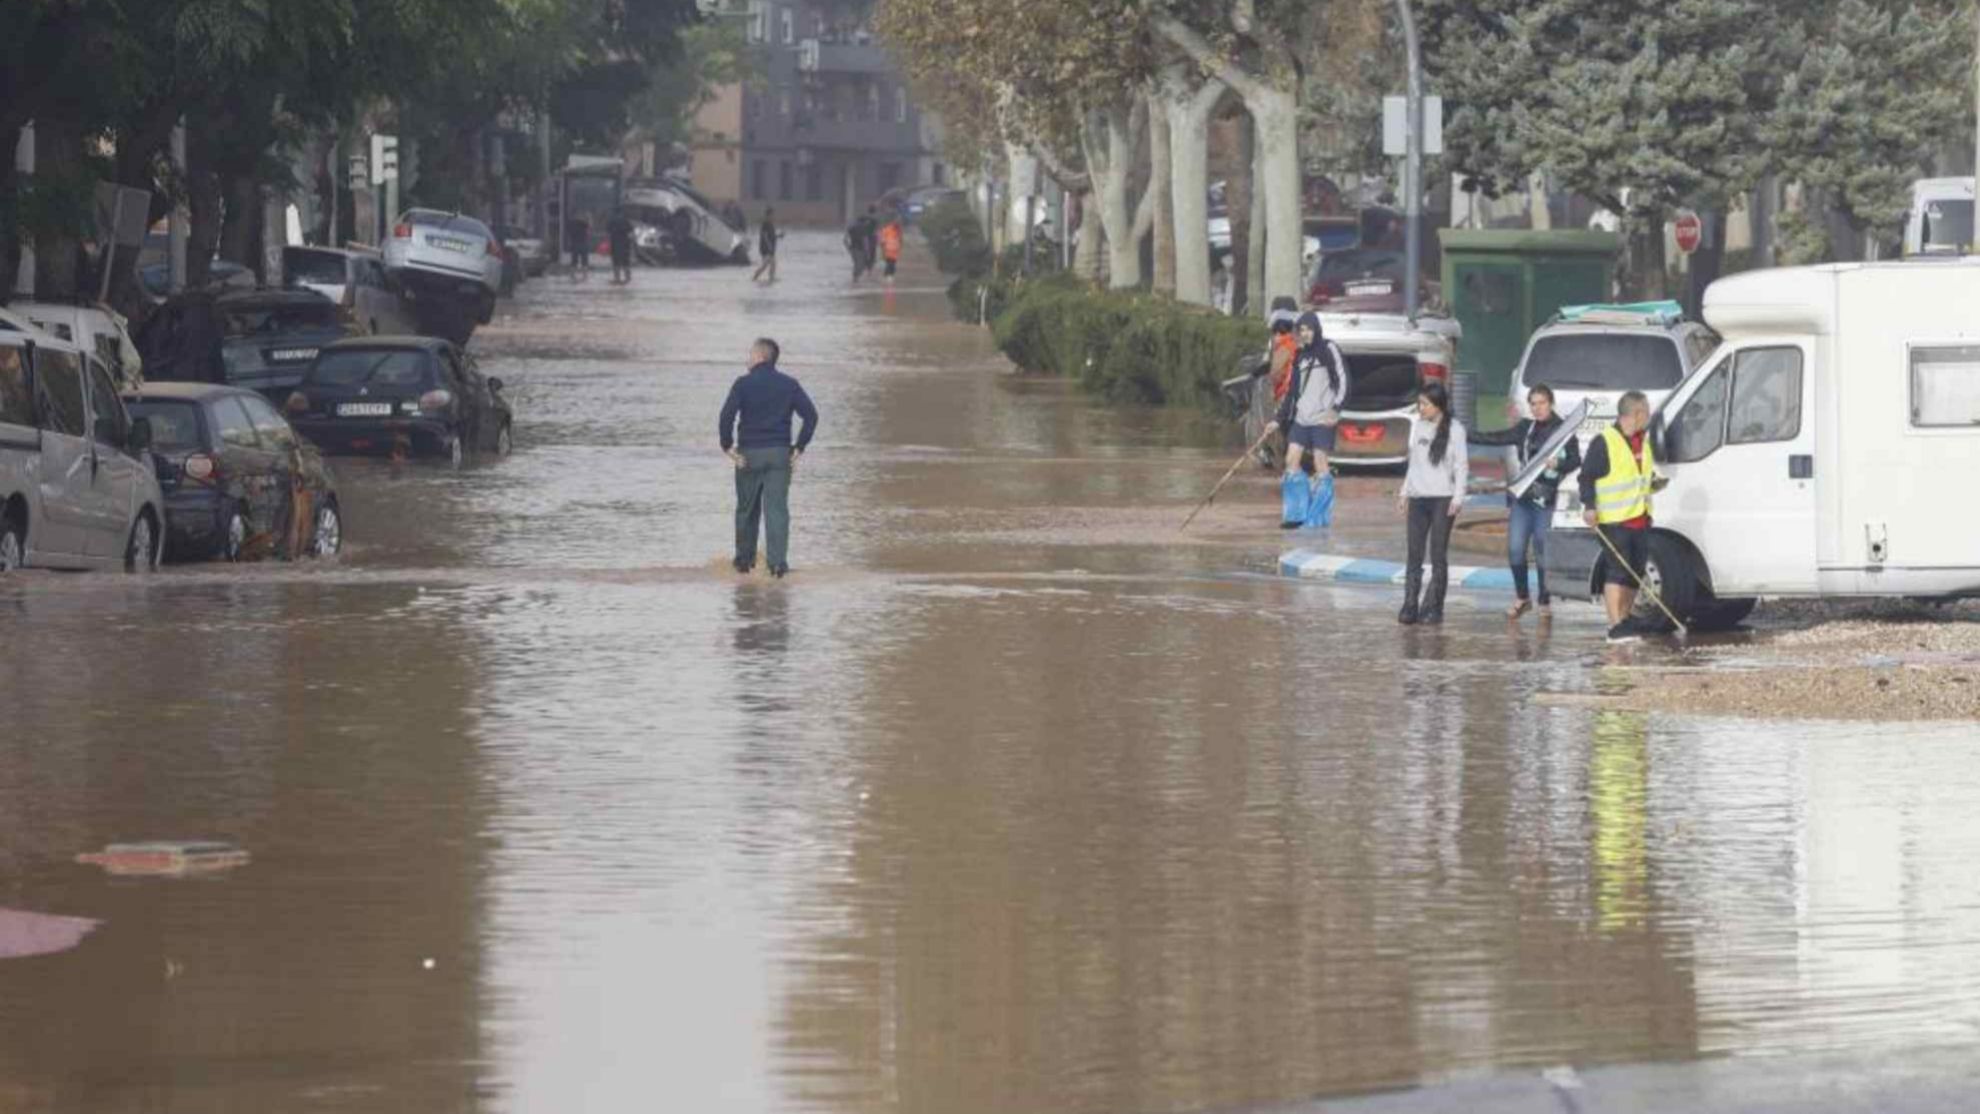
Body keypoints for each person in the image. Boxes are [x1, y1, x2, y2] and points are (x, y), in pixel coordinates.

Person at [1470, 384, 1582, 620]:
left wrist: (1558, 464)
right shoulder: (1525, 428)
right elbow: (1497, 437)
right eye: (1533, 403)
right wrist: (1465, 434)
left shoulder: (1563, 430)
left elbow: (1575, 460)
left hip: (1546, 499)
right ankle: (1523, 597)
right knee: (1515, 550)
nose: (1538, 408)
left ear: (1551, 403)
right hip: (1523, 499)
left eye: (1542, 402)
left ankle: (1544, 599)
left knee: (1542, 548)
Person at [719, 337, 818, 578]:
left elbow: (726, 417)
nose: (748, 357)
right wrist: (799, 447)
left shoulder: (742, 384)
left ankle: (744, 564)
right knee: (777, 511)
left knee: (746, 510)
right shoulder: (789, 384)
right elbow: (811, 416)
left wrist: (728, 446)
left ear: (761, 357)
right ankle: (777, 567)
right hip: (779, 455)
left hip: (748, 455)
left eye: (751, 353)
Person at [1578, 390, 1662, 642]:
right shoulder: (1604, 441)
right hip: (1614, 520)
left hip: (1640, 517)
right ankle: (1614, 626)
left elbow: (1638, 476)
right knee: (1617, 571)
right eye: (1646, 412)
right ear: (1636, 414)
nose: (1648, 416)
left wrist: (1654, 484)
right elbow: (1586, 477)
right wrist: (1589, 505)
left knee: (1635, 571)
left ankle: (1625, 619)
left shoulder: (1642, 440)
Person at [1264, 311, 1347, 529]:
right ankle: (1296, 515)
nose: (1305, 334)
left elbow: (1344, 381)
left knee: (1321, 464)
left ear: (1316, 329)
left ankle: (1317, 518)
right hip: (1301, 419)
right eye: (1301, 330)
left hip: (1322, 419)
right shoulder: (1300, 356)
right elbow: (1292, 393)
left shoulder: (1330, 349)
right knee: (1291, 461)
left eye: (1308, 329)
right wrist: (1278, 420)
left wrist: (1336, 410)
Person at [1397, 380, 1469, 626]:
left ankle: (1434, 606)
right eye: (1420, 404)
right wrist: (1404, 492)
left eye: (1425, 404)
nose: (1421, 408)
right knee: (1413, 554)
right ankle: (1410, 603)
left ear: (1438, 405)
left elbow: (1461, 466)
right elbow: (1413, 463)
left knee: (1438, 554)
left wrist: (1458, 498)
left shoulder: (1456, 430)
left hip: (1442, 499)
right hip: (1418, 498)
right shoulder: (1417, 426)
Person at [844, 206, 877, 281]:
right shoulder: (864, 228)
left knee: (856, 264)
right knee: (860, 265)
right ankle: (855, 279)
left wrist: (848, 248)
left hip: (853, 249)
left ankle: (855, 279)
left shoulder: (851, 227)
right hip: (860, 249)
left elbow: (845, 239)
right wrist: (867, 250)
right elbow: (865, 240)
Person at [752, 208, 781, 284]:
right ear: (768, 215)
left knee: (771, 264)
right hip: (766, 248)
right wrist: (769, 245)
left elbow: (772, 236)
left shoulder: (771, 224)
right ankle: (756, 277)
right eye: (772, 215)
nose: (773, 216)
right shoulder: (765, 223)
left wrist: (779, 236)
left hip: (770, 248)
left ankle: (768, 278)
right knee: (769, 264)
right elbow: (764, 236)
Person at [607, 207, 635, 285]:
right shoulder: (626, 221)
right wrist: (631, 244)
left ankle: (617, 278)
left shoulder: (612, 221)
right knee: (626, 261)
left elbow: (608, 232)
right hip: (625, 243)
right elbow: (631, 233)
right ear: (621, 213)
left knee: (616, 261)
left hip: (615, 243)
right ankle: (627, 278)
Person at [877, 213, 903, 282]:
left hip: (895, 250)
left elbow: (900, 239)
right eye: (897, 221)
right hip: (888, 250)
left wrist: (900, 246)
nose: (898, 222)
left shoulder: (899, 230)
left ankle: (890, 276)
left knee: (893, 264)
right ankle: (887, 276)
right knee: (889, 263)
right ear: (893, 221)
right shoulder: (887, 229)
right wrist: (882, 247)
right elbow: (882, 238)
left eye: (899, 221)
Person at [566, 214, 591, 281]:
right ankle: (585, 276)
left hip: (575, 244)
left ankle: (572, 275)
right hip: (583, 244)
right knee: (584, 261)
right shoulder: (584, 224)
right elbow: (588, 231)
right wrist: (589, 218)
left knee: (574, 261)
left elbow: (569, 233)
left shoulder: (571, 224)